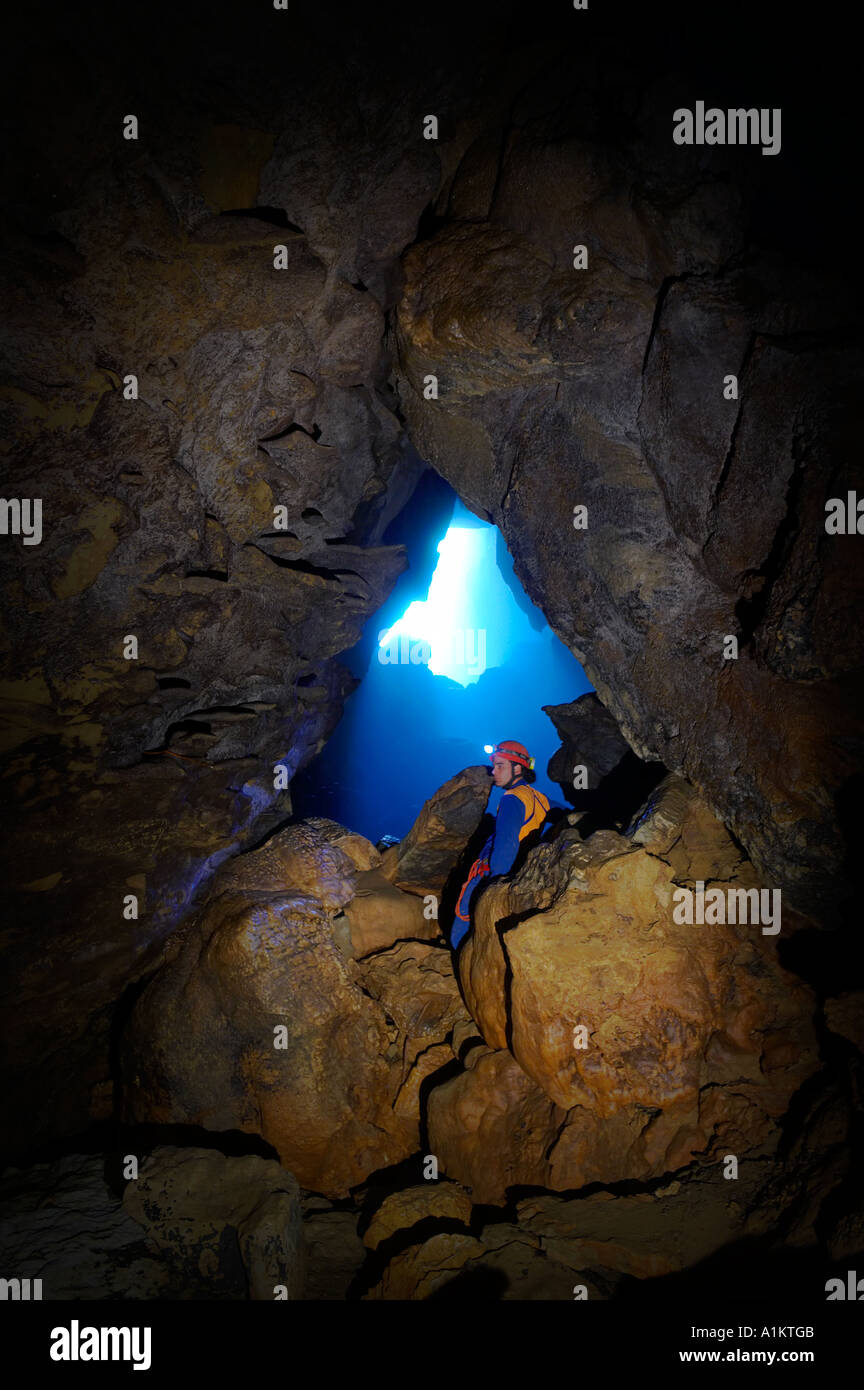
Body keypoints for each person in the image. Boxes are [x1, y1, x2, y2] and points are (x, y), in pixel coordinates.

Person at [450, 740, 550, 950]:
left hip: (491, 874)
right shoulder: (541, 799)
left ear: (517, 768)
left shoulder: (512, 798)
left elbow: (506, 845)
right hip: (519, 873)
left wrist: (492, 884)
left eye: (500, 766)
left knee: (460, 932)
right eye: (494, 766)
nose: (493, 772)